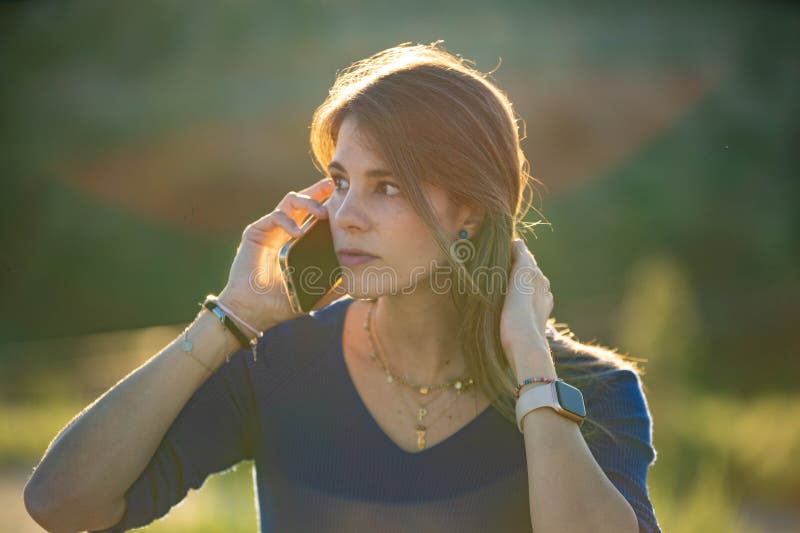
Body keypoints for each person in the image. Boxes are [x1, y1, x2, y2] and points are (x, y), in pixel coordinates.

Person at [23, 41, 662, 532]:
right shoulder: (280, 363)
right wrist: (228, 320)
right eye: (341, 181)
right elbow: (61, 504)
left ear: (468, 211)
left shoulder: (592, 392)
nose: (346, 215)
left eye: (387, 186)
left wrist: (531, 366)